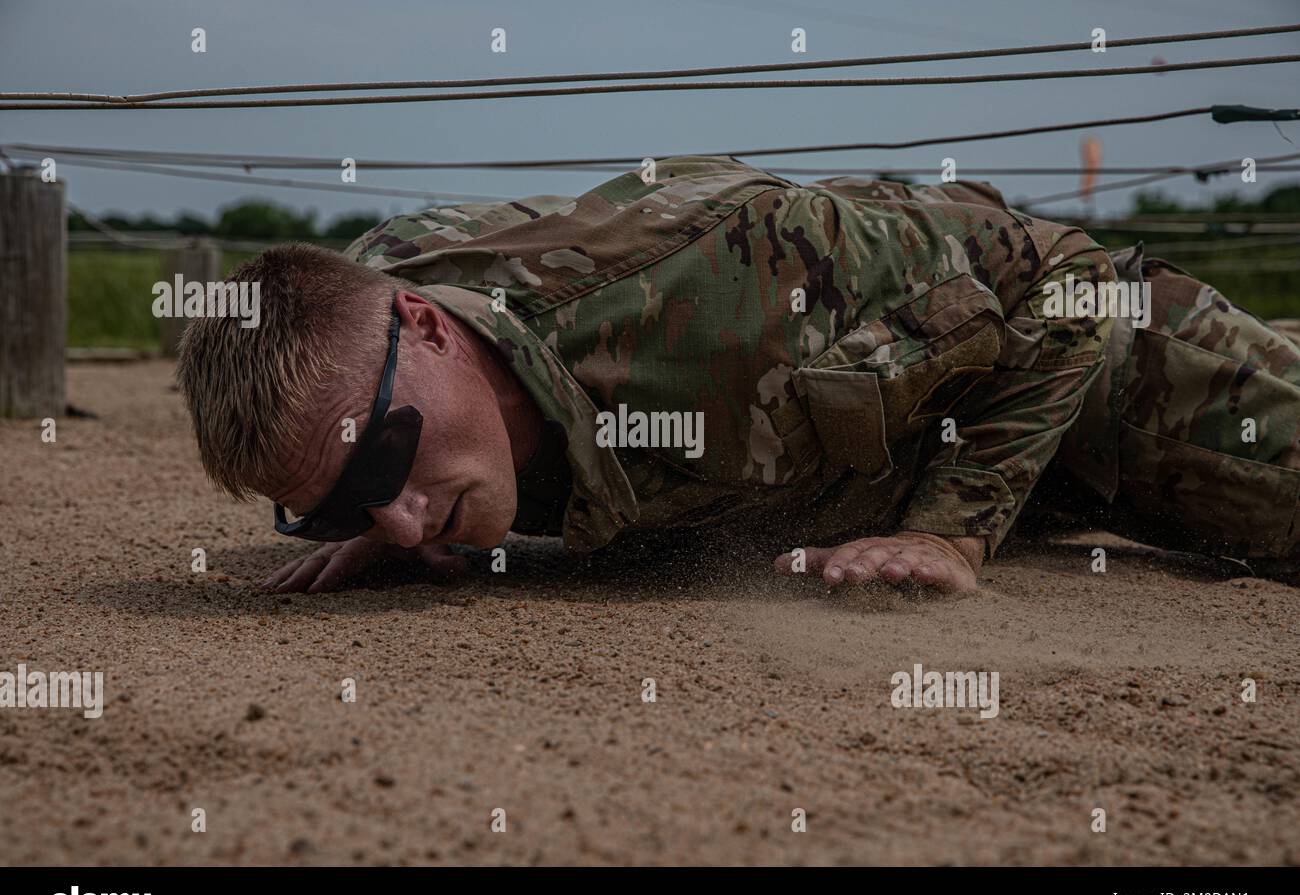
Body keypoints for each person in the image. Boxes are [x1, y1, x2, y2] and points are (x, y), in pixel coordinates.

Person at [175, 155, 1300, 595]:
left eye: (385, 457)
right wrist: (378, 497)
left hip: (1095, 371)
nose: (407, 522)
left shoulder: (722, 271)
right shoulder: (358, 325)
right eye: (329, 499)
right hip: (887, 455)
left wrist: (956, 527)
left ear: (427, 326)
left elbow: (1060, 279)